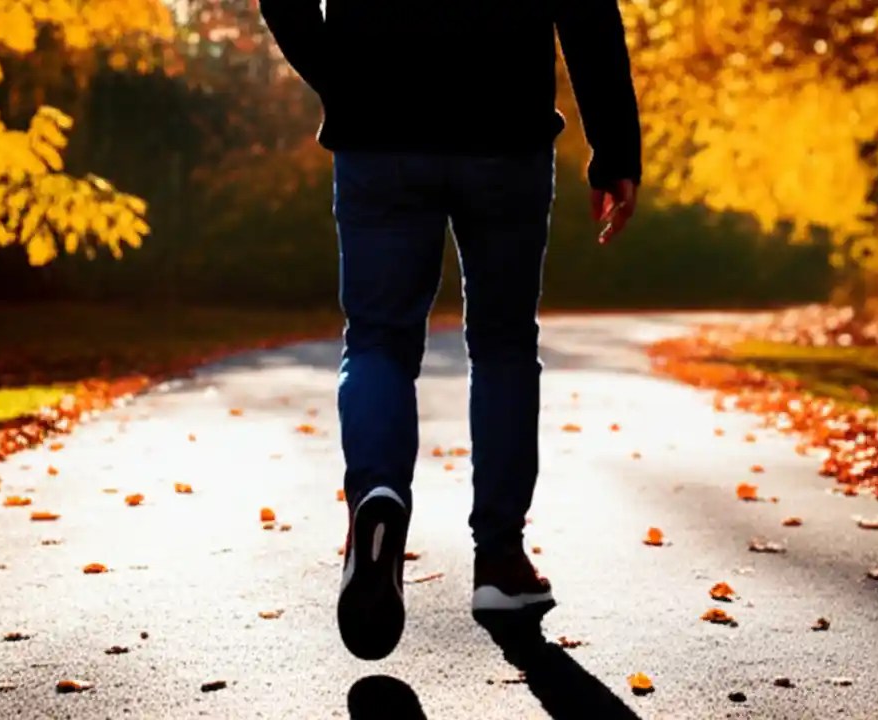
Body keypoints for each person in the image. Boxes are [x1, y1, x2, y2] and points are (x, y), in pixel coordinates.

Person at [261, 0, 641, 661]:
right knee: (503, 345)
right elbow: (586, 9)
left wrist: (341, 78)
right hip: (505, 129)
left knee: (378, 338)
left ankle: (376, 495)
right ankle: (500, 560)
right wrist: (615, 149)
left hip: (377, 131)